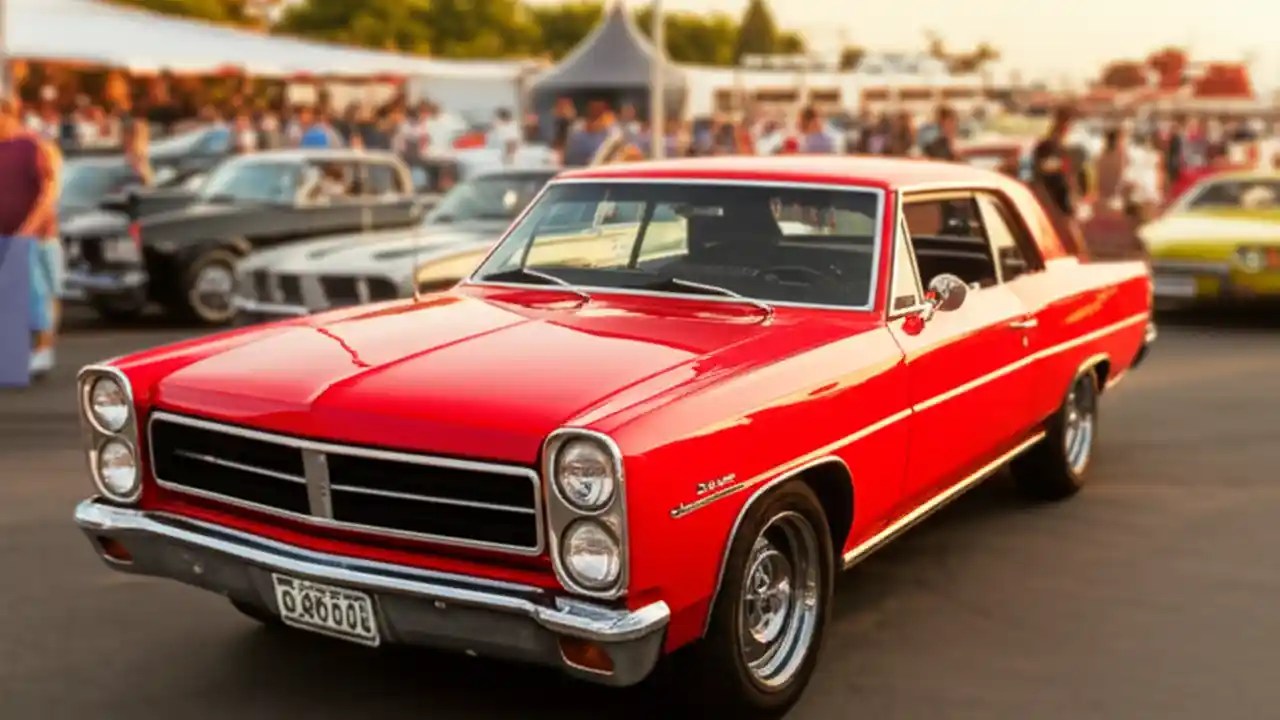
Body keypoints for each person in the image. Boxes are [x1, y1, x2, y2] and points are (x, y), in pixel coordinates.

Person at [0, 98, 62, 378]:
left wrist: (28, 230)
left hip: (36, 237)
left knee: (40, 293)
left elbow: (48, 193)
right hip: (5, 235)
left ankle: (43, 349)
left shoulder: (34, 146)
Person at [1032, 105, 1081, 218]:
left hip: (1064, 203)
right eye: (1065, 123)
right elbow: (1043, 169)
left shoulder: (1062, 148)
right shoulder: (1047, 146)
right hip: (1051, 202)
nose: (1067, 128)